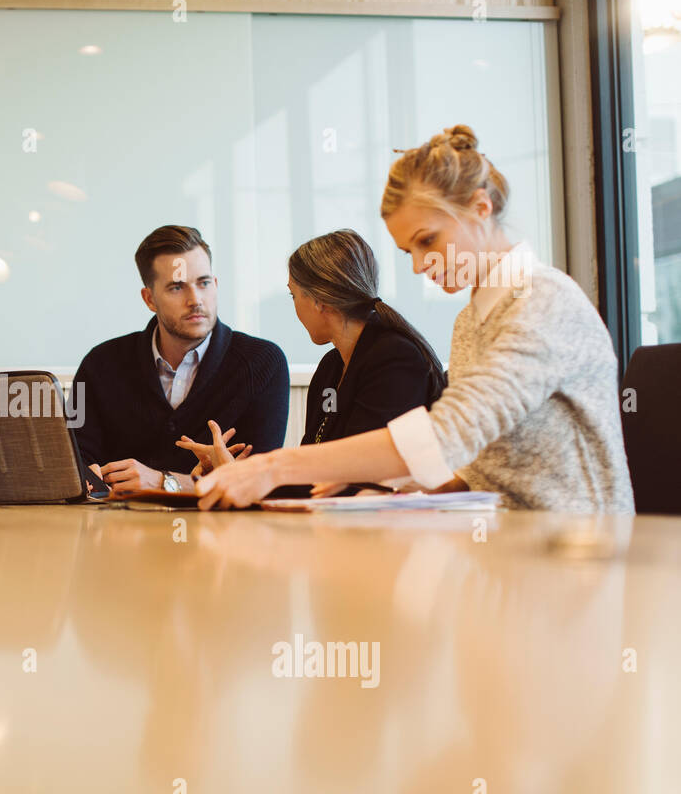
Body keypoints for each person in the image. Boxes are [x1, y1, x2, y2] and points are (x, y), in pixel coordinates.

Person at [196, 125, 633, 513]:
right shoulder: (471, 321)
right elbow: (480, 472)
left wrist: (274, 467)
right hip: (507, 547)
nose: (420, 265)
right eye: (410, 251)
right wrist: (395, 486)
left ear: (481, 208)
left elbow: (447, 434)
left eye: (428, 241)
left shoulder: (543, 302)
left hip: (577, 555)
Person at [181, 229, 445, 494]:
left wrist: (244, 477)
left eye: (293, 295)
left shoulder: (395, 361)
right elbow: (314, 467)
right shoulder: (331, 367)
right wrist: (242, 475)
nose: (294, 307)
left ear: (319, 301)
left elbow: (357, 481)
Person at [73, 224, 289, 493]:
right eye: (177, 288)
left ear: (216, 284)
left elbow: (260, 479)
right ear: (149, 299)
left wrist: (165, 482)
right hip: (120, 528)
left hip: (223, 530)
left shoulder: (262, 363)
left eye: (204, 283)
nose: (195, 300)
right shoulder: (100, 364)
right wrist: (86, 475)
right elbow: (77, 458)